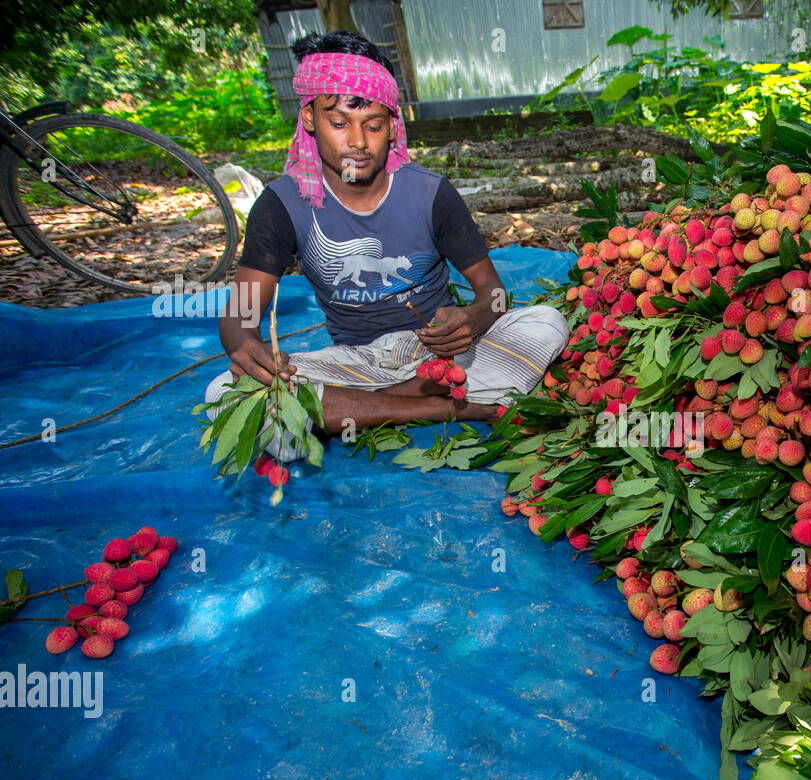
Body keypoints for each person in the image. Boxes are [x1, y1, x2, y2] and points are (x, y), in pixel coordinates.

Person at [204, 30, 568, 461]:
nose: (357, 142)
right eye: (338, 123)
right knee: (225, 391)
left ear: (392, 127)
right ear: (308, 119)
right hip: (353, 361)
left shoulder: (430, 193)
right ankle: (439, 406)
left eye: (373, 125)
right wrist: (246, 346)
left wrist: (470, 317)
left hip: (432, 355)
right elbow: (240, 314)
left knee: (547, 322)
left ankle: (360, 408)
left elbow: (495, 292)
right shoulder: (282, 204)